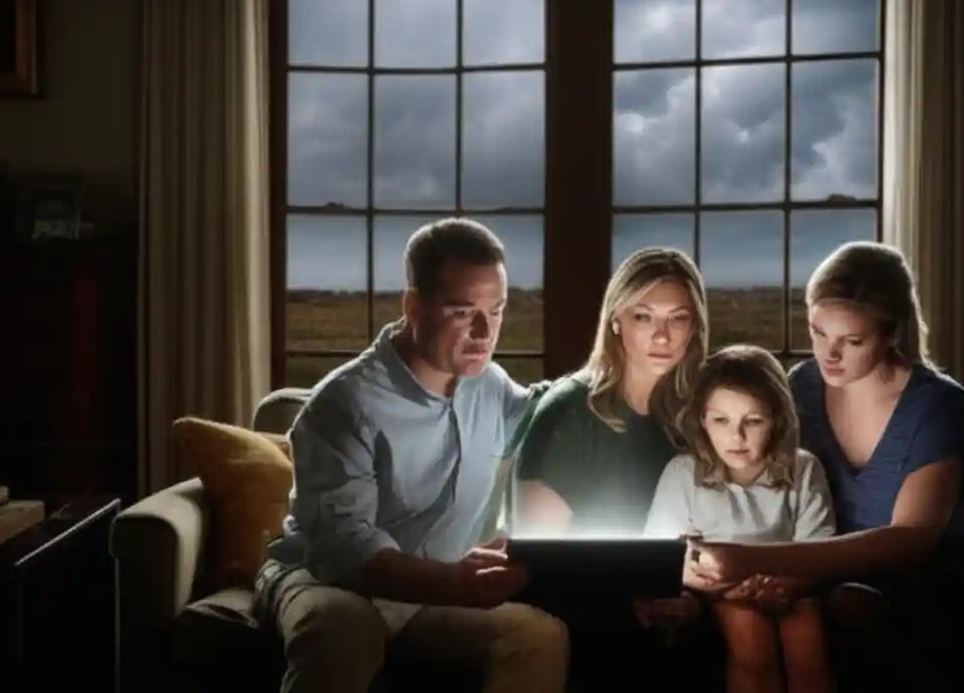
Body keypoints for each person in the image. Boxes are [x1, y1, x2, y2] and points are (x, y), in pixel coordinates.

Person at [686, 241, 964, 690]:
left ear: (891, 333)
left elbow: (911, 541)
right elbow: (776, 491)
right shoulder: (800, 390)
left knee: (851, 606)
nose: (828, 355)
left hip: (937, 579)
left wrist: (750, 559)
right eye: (818, 332)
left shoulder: (938, 406)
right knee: (810, 614)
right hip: (832, 573)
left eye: (852, 341)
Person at [253, 218, 568, 693]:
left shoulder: (489, 383)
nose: (485, 331)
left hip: (433, 596)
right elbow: (346, 550)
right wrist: (457, 585)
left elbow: (549, 412)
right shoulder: (344, 404)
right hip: (326, 582)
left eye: (497, 311)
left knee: (537, 636)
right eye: (463, 312)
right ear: (413, 307)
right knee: (343, 629)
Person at [510, 246, 709, 688]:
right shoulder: (570, 413)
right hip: (585, 609)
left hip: (679, 601)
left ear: (694, 327)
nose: (662, 335)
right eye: (644, 317)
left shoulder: (695, 414)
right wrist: (628, 605)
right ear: (616, 320)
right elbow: (540, 560)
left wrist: (692, 598)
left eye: (678, 318)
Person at [644, 344, 838, 693]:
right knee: (751, 637)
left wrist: (783, 586)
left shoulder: (803, 468)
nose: (737, 437)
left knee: (805, 634)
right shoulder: (683, 474)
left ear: (776, 419)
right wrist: (727, 587)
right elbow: (664, 557)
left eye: (753, 421)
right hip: (718, 592)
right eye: (722, 420)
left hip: (789, 586)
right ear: (703, 419)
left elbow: (819, 551)